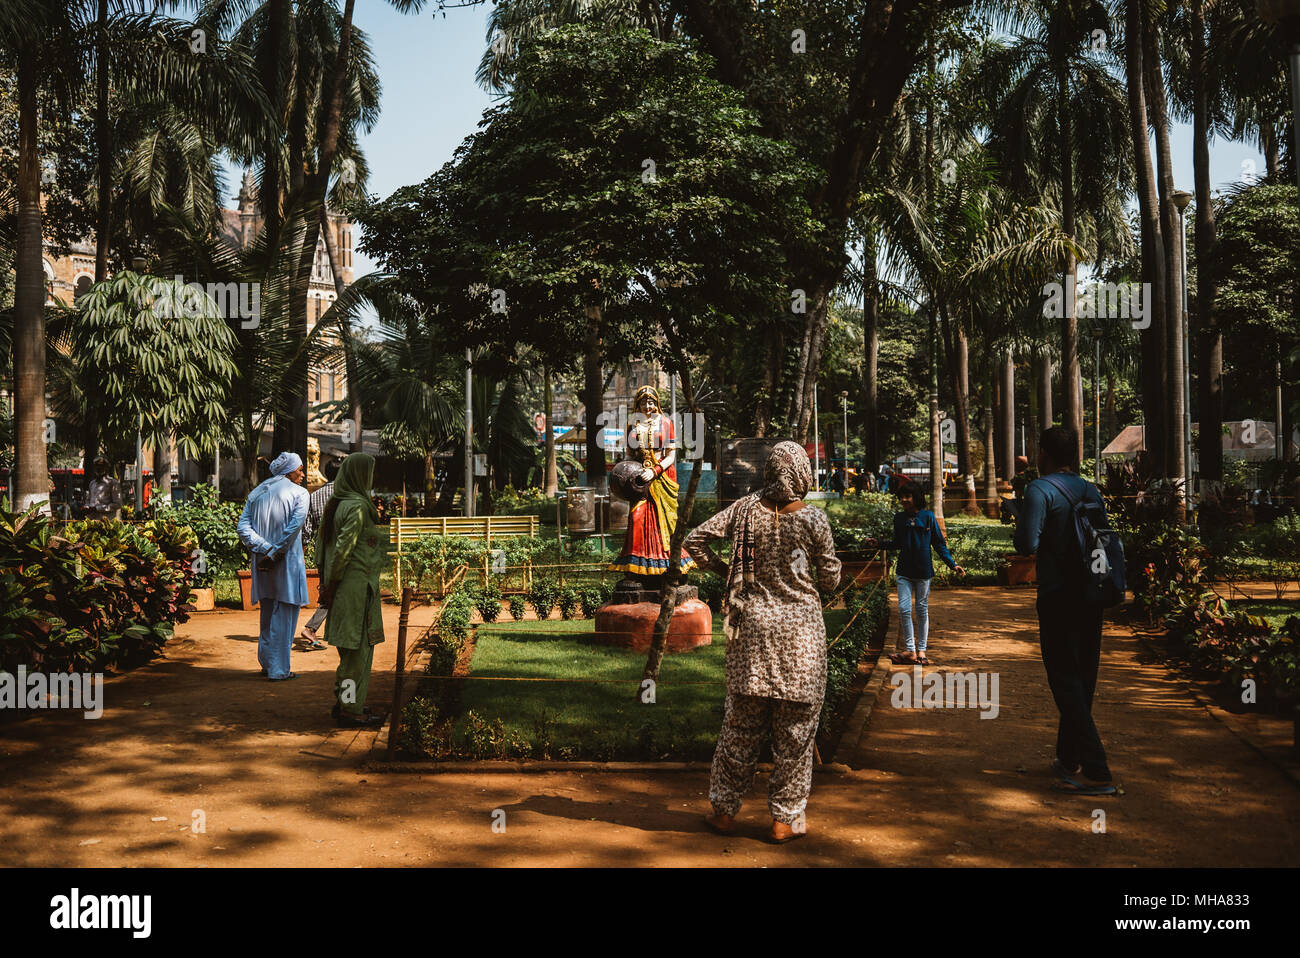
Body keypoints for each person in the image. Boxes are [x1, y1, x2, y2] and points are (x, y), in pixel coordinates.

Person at [685, 441, 841, 844]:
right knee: (795, 733)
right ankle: (783, 821)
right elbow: (829, 580)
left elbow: (695, 540)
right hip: (800, 640)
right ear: (802, 473)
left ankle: (723, 813)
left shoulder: (744, 511)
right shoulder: (814, 521)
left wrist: (729, 573)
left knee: (740, 728)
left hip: (751, 636)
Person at [1013, 426, 1117, 796]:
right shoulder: (1091, 489)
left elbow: (1026, 542)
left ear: (1044, 453)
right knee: (1083, 676)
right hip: (1092, 593)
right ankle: (1067, 757)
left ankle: (1096, 769)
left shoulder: (1038, 489)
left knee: (1063, 678)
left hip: (1058, 597)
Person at [318, 453, 386, 727]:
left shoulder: (338, 503)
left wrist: (327, 584)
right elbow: (343, 551)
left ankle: (345, 701)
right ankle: (350, 708)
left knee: (349, 652)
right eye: (369, 473)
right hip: (356, 589)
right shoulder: (357, 507)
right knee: (357, 654)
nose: (372, 478)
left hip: (345, 588)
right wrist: (332, 585)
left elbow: (323, 548)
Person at [867, 480, 963, 666]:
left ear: (916, 497)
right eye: (901, 496)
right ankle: (910, 651)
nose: (903, 500)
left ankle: (922, 651)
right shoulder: (899, 518)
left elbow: (939, 544)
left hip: (923, 572)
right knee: (903, 609)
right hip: (904, 572)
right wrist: (879, 543)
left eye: (907, 496)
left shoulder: (928, 517)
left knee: (921, 610)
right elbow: (897, 543)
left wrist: (953, 565)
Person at [237, 451, 310, 681]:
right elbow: (294, 527)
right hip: (286, 561)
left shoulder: (256, 493)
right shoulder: (299, 493)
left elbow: (243, 528)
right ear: (289, 471)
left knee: (267, 613)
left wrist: (263, 548)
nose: (303, 474)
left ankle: (267, 663)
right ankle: (279, 670)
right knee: (285, 614)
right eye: (299, 470)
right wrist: (276, 550)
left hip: (262, 562)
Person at [609, 385, 694, 579]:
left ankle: (670, 567)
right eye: (643, 402)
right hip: (638, 479)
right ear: (637, 404)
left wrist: (655, 471)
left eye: (651, 402)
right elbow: (629, 455)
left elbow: (671, 456)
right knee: (637, 517)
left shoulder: (665, 423)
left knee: (664, 521)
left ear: (656, 404)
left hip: (661, 478)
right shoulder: (632, 425)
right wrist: (628, 472)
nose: (647, 406)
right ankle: (637, 568)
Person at [298, 477, 335, 649]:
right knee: (336, 592)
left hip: (322, 550)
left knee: (328, 591)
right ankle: (311, 628)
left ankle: (316, 629)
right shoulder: (345, 495)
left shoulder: (314, 496)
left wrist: (302, 555)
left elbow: (307, 530)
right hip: (338, 550)